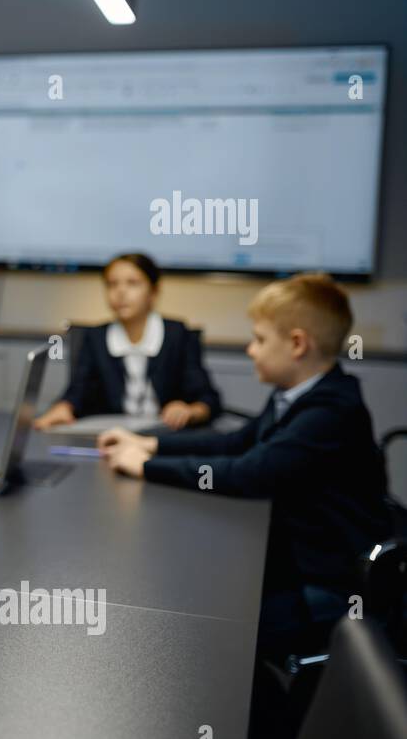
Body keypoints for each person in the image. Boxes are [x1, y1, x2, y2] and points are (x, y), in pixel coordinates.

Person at [99, 272, 391, 652]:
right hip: (295, 554)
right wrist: (151, 444)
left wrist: (145, 467)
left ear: (297, 344)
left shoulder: (331, 410)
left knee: (210, 629)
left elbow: (249, 472)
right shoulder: (295, 395)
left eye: (259, 339)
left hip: (325, 578)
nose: (251, 350)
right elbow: (235, 441)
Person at [35, 252, 221, 431]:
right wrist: (64, 407)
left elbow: (207, 399)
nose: (121, 292)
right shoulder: (95, 337)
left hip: (165, 441)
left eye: (132, 283)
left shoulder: (178, 335)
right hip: (110, 439)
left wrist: (189, 411)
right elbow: (77, 392)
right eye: (112, 284)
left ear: (154, 291)